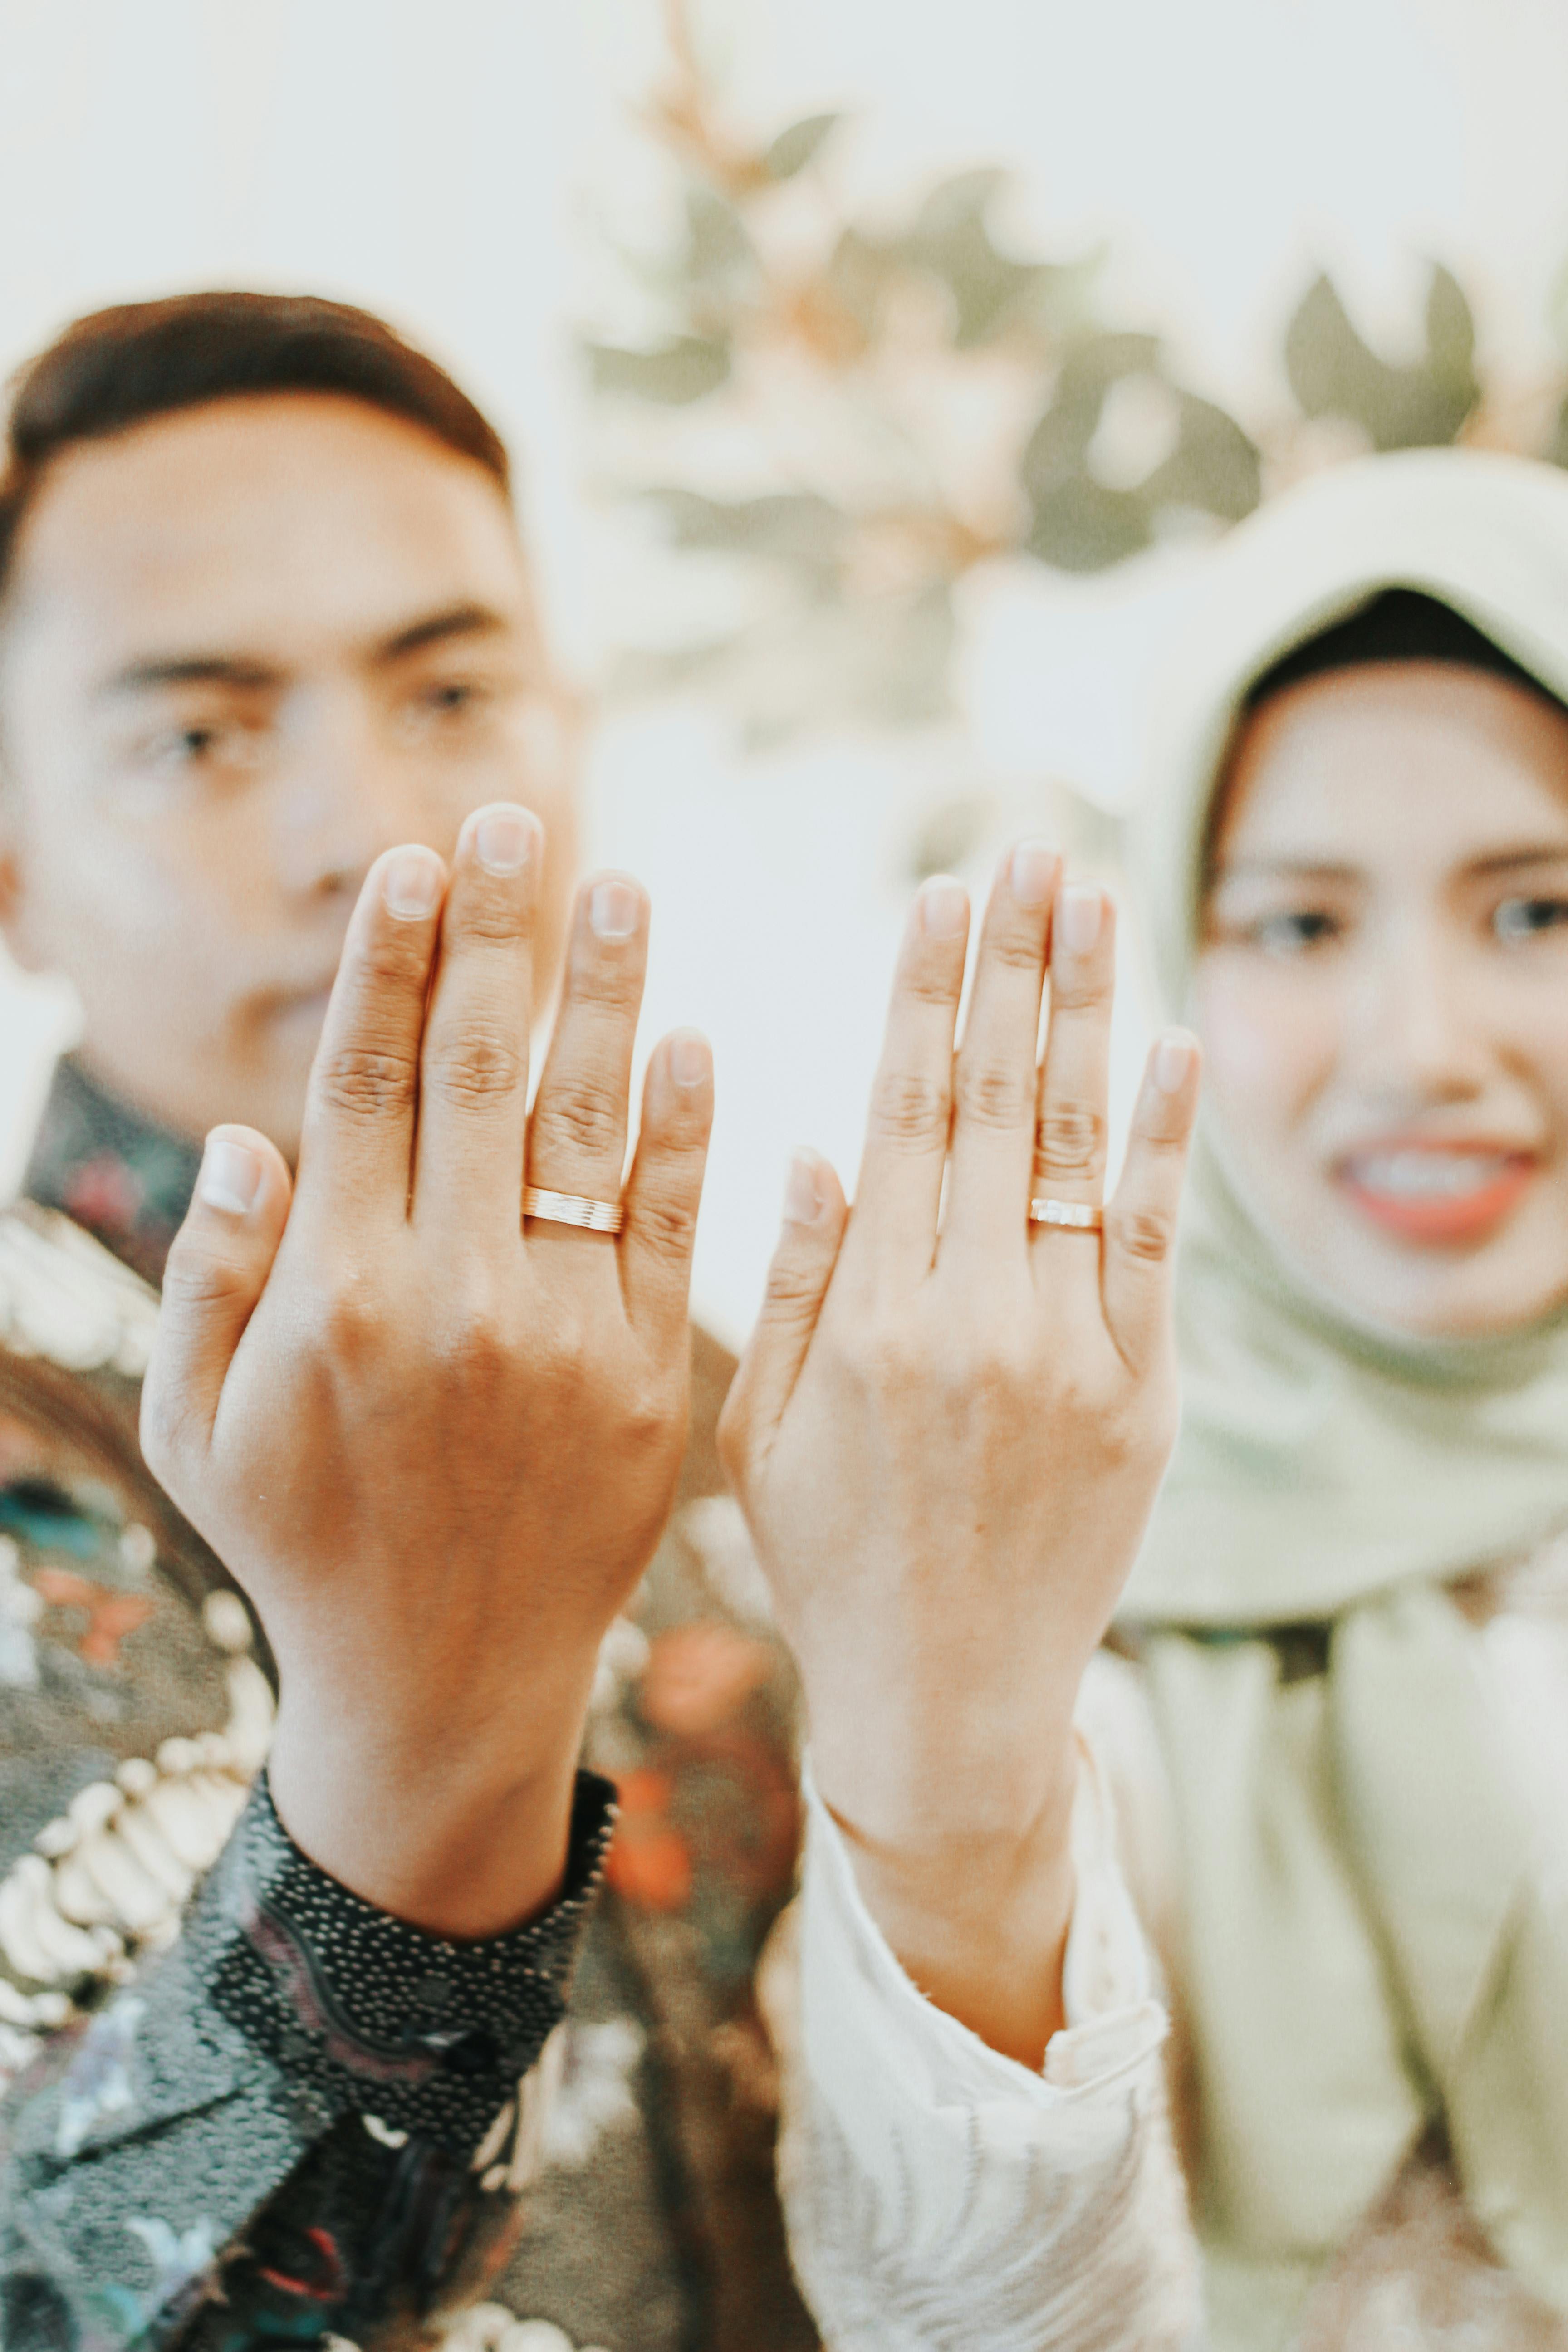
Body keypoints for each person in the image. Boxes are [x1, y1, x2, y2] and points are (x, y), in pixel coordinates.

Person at [0, 295, 810, 2350]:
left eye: (451, 694)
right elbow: (71, 2288)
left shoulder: (739, 1404)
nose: (366, 838)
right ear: (13, 858)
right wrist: (437, 1712)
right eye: (200, 737)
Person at [724, 450, 1568, 2349]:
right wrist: (957, 1775)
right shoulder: (1045, 1544)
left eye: (1538, 913)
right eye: (1301, 928)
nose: (1424, 1049)